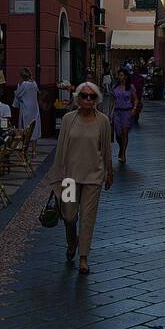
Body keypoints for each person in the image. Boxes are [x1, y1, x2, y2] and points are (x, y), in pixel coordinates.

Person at [49, 81, 113, 275]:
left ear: (96, 99)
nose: (87, 99)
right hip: (69, 177)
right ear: (77, 98)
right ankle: (72, 241)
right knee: (69, 215)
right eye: (84, 96)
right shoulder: (69, 119)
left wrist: (109, 172)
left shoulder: (103, 121)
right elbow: (60, 148)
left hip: (93, 176)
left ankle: (83, 256)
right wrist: (57, 174)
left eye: (92, 96)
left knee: (87, 217)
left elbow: (106, 149)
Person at [110, 69, 137, 165]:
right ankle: (121, 148)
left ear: (125, 76)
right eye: (119, 75)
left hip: (127, 112)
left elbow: (135, 99)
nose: (120, 77)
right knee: (118, 134)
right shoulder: (115, 87)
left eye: (122, 75)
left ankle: (123, 154)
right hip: (117, 112)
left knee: (125, 133)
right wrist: (110, 113)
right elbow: (112, 101)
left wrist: (134, 108)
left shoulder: (130, 87)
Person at [12, 68, 41, 151]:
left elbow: (17, 94)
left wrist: (18, 86)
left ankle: (24, 148)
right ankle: (34, 150)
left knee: (24, 128)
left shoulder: (24, 84)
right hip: (34, 109)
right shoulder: (34, 83)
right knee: (34, 128)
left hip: (25, 109)